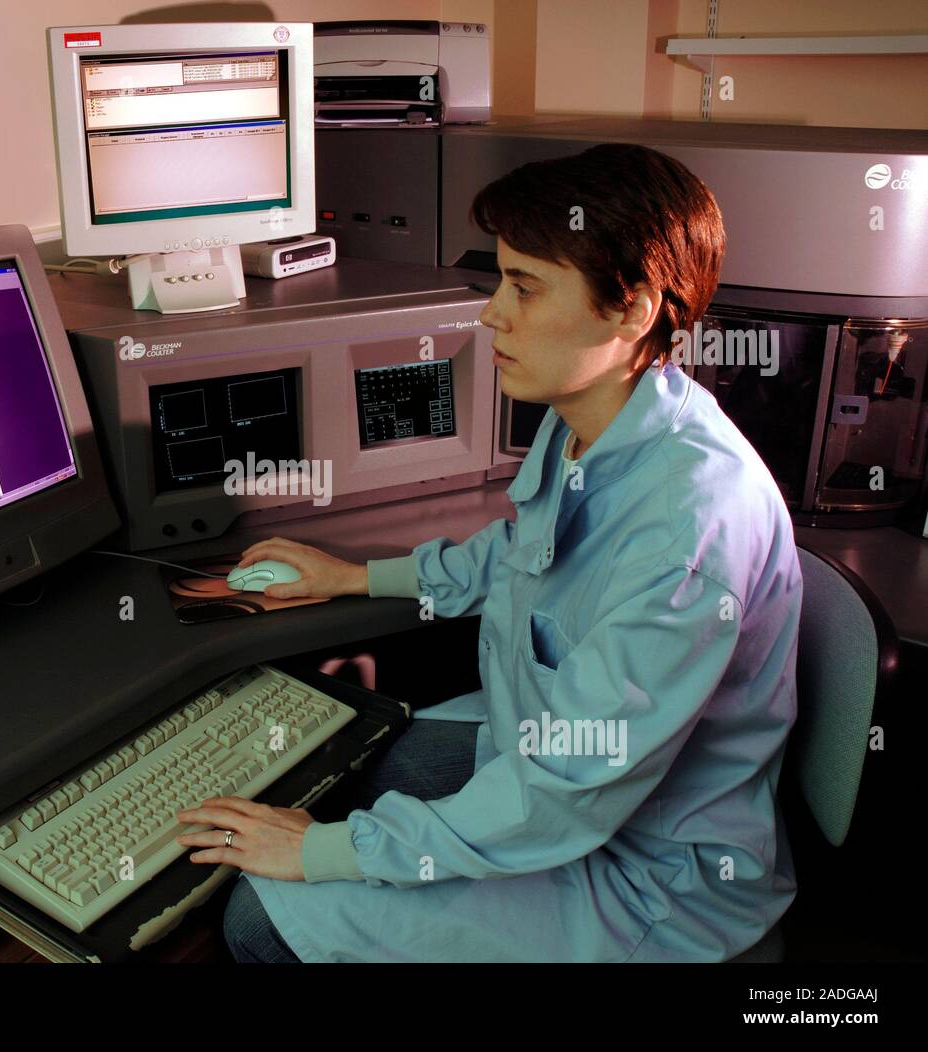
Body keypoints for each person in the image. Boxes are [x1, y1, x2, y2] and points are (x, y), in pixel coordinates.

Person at [175, 143, 802, 963]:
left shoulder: (687, 529)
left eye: (525, 287)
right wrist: (355, 576)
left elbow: (564, 789)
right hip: (550, 757)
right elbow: (521, 553)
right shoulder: (600, 414)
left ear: (633, 310)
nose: (490, 315)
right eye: (499, 281)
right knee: (360, 763)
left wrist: (320, 853)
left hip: (646, 882)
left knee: (264, 912)